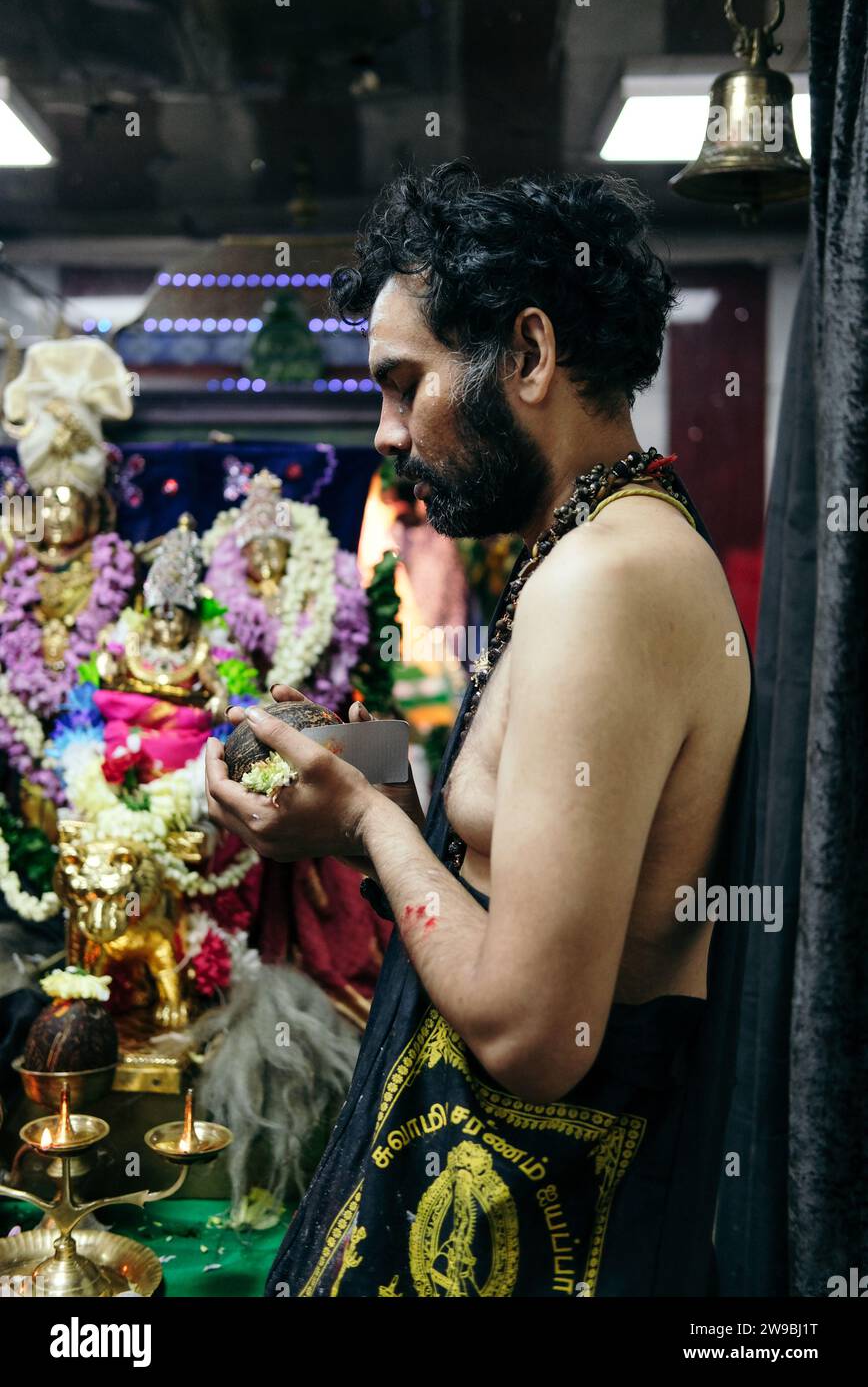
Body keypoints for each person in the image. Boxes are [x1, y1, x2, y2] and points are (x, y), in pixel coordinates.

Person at [204, 161, 757, 1297]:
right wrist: (361, 775)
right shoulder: (593, 540)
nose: (387, 433)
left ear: (530, 355)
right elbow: (521, 865)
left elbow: (530, 1031)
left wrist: (362, 815)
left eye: (404, 384)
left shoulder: (610, 576)